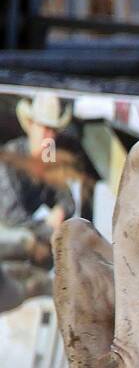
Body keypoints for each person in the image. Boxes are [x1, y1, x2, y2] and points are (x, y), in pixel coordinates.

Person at [0, 93, 80, 312]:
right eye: (44, 128)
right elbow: (11, 217)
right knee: (28, 241)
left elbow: (66, 198)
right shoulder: (8, 160)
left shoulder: (47, 159)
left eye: (53, 130)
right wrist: (48, 229)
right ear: (31, 125)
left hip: (28, 239)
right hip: (9, 237)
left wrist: (61, 210)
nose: (48, 136)